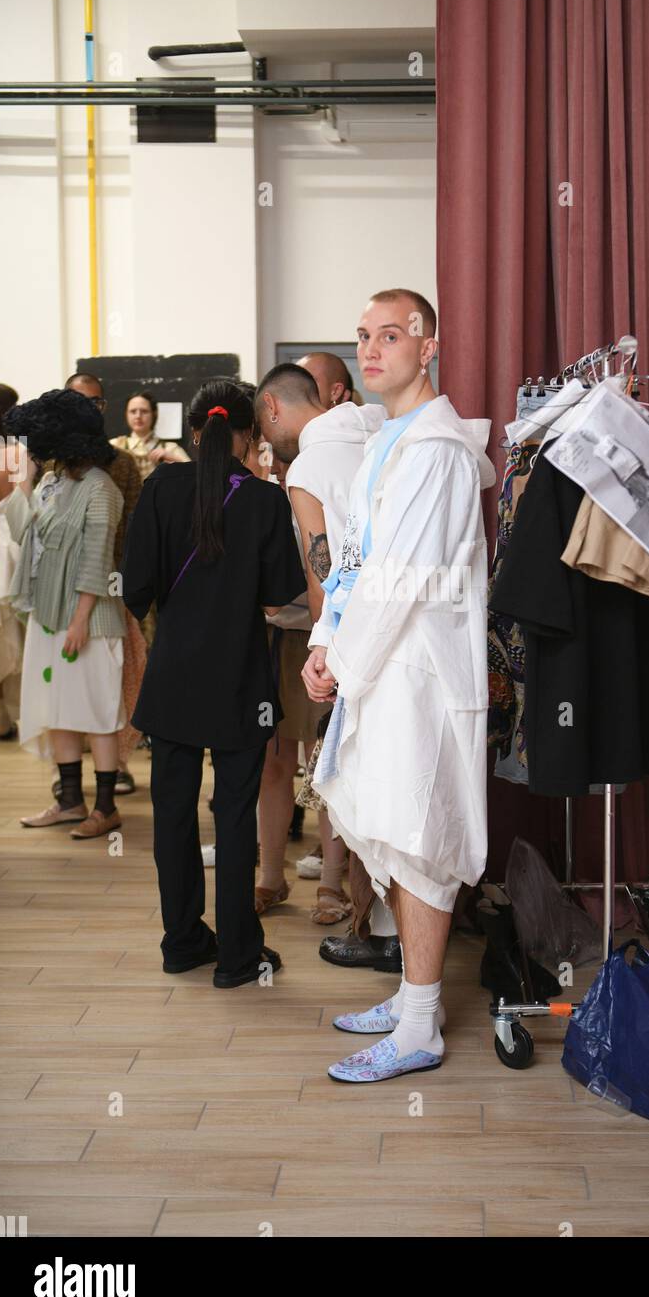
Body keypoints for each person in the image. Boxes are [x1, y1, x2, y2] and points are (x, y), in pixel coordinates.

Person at [302, 289, 496, 1082]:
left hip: (417, 676)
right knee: (390, 827)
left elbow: (403, 579)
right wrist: (323, 643)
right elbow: (352, 562)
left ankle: (418, 1027)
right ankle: (414, 1000)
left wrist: (343, 661)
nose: (370, 350)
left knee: (421, 840)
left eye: (390, 334)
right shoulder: (388, 443)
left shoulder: (439, 450)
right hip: (379, 672)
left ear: (430, 345)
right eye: (362, 337)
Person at [120, 379, 306, 987]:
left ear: (194, 431)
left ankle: (181, 942)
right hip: (240, 681)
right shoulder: (264, 500)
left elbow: (139, 587)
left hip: (172, 679)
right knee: (234, 815)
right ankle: (237, 957)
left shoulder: (158, 489)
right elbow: (281, 597)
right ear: (250, 433)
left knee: (172, 813)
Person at [258, 361, 402, 959]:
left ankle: (375, 933)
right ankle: (385, 929)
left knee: (353, 784)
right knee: (385, 785)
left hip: (351, 640)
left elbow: (326, 573)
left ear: (271, 410)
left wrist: (325, 651)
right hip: (400, 634)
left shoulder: (312, 464)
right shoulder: (377, 435)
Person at [2, 390, 127, 839]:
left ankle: (106, 808)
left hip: (87, 620)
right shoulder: (53, 482)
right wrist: (24, 481)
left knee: (97, 713)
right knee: (58, 710)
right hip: (48, 612)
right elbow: (23, 535)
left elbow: (97, 560)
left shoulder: (101, 487)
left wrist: (79, 620)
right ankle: (70, 800)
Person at [65, 371, 144, 794]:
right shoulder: (52, 462)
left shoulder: (121, 463)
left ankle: (114, 770)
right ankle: (70, 782)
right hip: (57, 599)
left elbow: (132, 532)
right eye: (79, 400)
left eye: (96, 402)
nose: (88, 409)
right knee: (65, 686)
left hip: (110, 593)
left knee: (112, 684)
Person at [0, 383, 24, 739]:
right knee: (18, 628)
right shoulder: (16, 451)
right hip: (13, 541)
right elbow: (26, 506)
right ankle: (19, 714)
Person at [111, 391, 191, 480]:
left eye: (144, 411)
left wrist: (175, 459)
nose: (138, 416)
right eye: (133, 411)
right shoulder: (115, 445)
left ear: (154, 414)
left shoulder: (170, 448)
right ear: (126, 414)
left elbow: (195, 475)